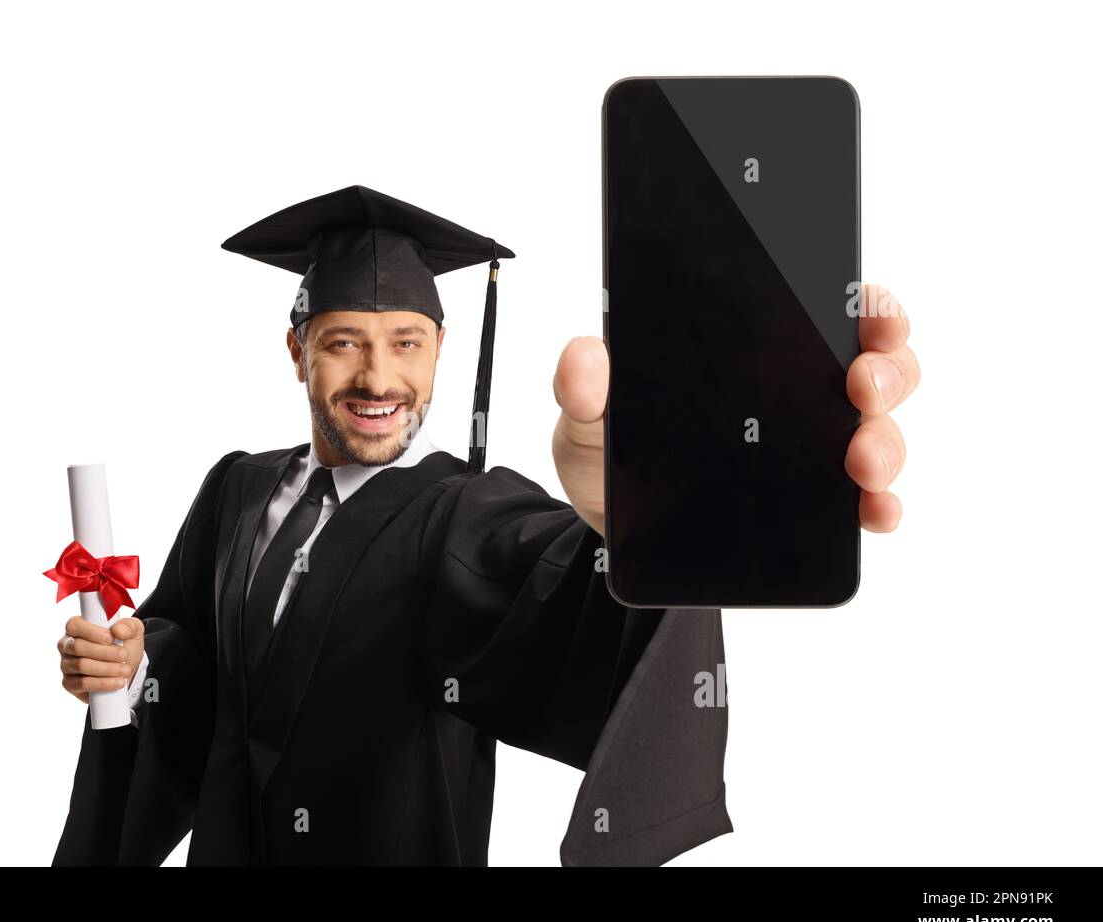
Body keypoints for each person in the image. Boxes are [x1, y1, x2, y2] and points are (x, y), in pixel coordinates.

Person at [52, 185, 918, 866]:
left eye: (407, 342)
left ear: (439, 349)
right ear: (298, 352)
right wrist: (133, 663)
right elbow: (189, 656)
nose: (379, 376)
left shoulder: (464, 512)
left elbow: (572, 591)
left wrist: (640, 523)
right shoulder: (237, 489)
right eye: (345, 341)